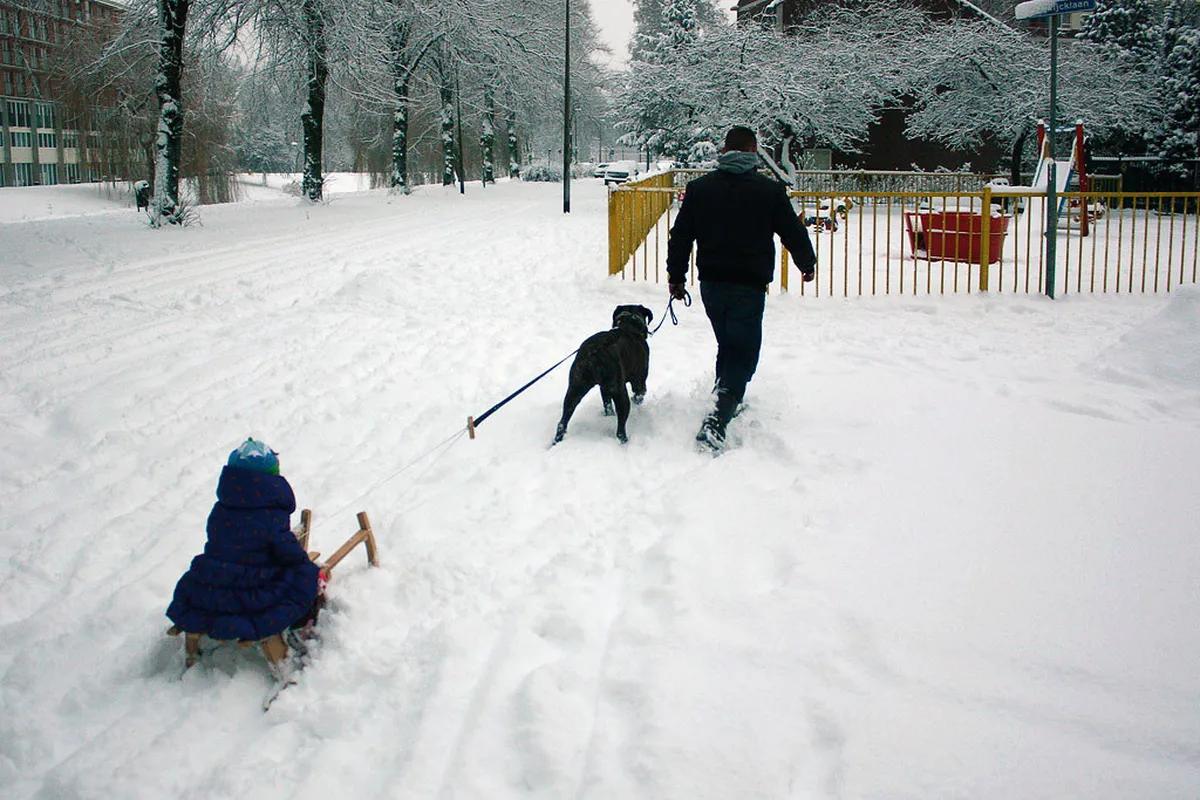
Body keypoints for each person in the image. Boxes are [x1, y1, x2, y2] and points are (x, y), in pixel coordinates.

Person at [666, 126, 817, 452]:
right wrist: (807, 262)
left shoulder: (700, 189)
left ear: (724, 150)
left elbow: (680, 236)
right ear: (753, 151)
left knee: (729, 343)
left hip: (712, 285)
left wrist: (676, 277)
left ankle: (725, 395)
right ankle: (717, 419)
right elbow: (792, 231)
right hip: (748, 285)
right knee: (743, 352)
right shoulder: (768, 191)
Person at [166, 439, 321, 643]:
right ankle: (303, 623)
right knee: (305, 575)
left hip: (216, 579)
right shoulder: (271, 514)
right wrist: (303, 563)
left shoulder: (221, 509)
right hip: (253, 588)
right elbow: (287, 552)